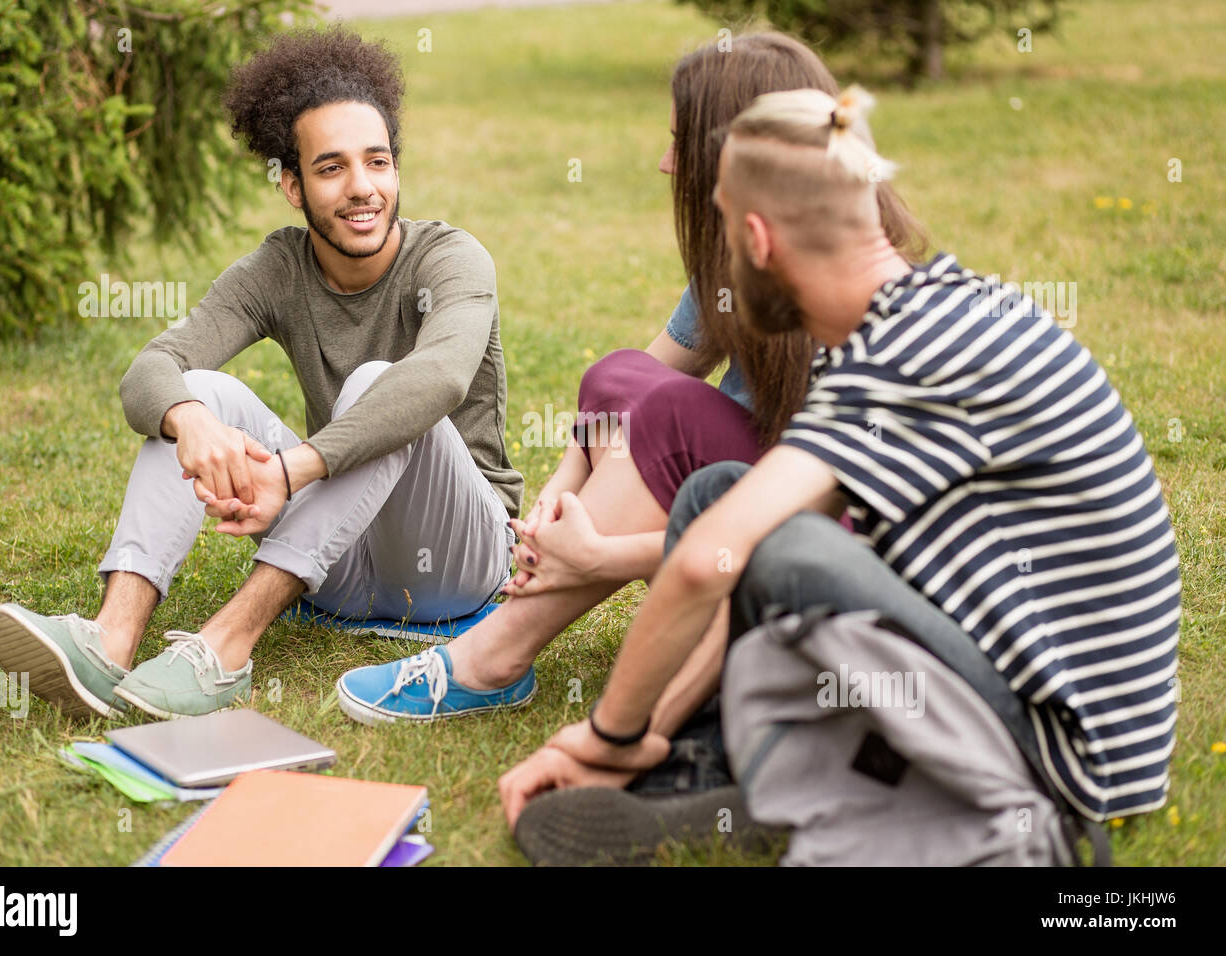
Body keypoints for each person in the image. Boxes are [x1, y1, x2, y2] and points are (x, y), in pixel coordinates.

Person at [498, 84, 1181, 841]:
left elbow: (705, 566)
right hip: (1019, 686)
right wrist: (645, 734)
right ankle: (707, 773)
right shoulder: (926, 310)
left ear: (756, 240)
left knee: (773, 540)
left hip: (1070, 761)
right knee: (722, 494)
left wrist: (607, 735)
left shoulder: (901, 355)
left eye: (722, 227)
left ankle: (745, 785)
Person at [334, 33, 927, 738]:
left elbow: (806, 533)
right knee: (619, 374)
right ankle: (522, 606)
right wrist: (562, 492)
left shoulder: (863, 325)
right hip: (722, 503)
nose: (664, 162)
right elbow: (631, 385)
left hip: (794, 556)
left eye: (679, 143)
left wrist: (595, 557)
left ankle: (492, 659)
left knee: (670, 415)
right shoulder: (745, 267)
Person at [0, 26, 522, 720]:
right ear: (292, 186)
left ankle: (225, 648)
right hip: (340, 566)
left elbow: (441, 378)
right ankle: (109, 640)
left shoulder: (453, 258)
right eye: (331, 169)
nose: (363, 189)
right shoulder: (279, 269)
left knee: (378, 384)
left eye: (378, 162)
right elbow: (150, 371)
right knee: (197, 391)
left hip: (455, 564)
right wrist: (190, 419)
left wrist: (289, 470)